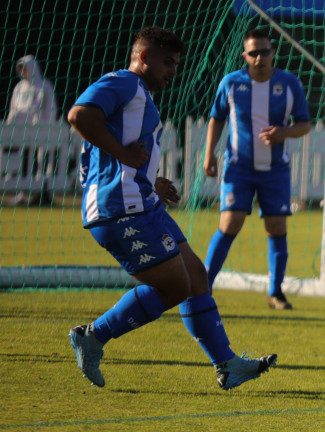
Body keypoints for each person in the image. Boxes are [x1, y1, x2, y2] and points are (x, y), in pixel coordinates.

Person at [66, 25, 276, 390]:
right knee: (176, 286)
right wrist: (124, 155)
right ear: (143, 57)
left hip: (141, 201)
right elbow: (79, 115)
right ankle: (93, 336)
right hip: (120, 209)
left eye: (177, 64)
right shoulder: (124, 82)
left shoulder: (139, 94)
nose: (173, 71)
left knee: (195, 277)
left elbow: (124, 150)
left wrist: (150, 178)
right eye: (167, 62)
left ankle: (228, 365)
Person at [203, 28, 312, 310]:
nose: (259, 57)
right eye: (253, 53)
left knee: (276, 227)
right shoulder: (231, 83)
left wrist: (283, 133)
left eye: (264, 51)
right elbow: (216, 119)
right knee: (230, 224)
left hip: (276, 170)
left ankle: (275, 293)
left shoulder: (289, 84)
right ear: (245, 55)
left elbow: (304, 124)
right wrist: (209, 154)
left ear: (273, 52)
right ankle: (203, 287)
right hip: (238, 167)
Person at [7, 55, 58, 205]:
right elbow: (13, 109)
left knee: (41, 162)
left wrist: (47, 126)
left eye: (25, 68)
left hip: (40, 132)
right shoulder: (19, 87)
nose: (23, 72)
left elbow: (51, 108)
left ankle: (43, 192)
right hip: (21, 133)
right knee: (22, 161)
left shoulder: (44, 85)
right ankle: (21, 193)